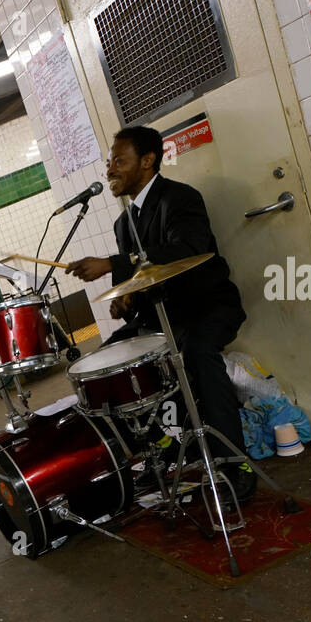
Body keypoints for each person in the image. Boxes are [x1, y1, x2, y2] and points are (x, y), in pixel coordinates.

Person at [66, 126, 256, 503]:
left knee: (200, 355)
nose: (110, 171)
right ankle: (165, 447)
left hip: (208, 307)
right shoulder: (125, 223)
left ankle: (235, 463)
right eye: (109, 163)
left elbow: (187, 250)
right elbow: (144, 280)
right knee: (104, 368)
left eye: (119, 161)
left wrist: (111, 264)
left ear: (148, 161)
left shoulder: (180, 198)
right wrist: (126, 302)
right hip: (160, 319)